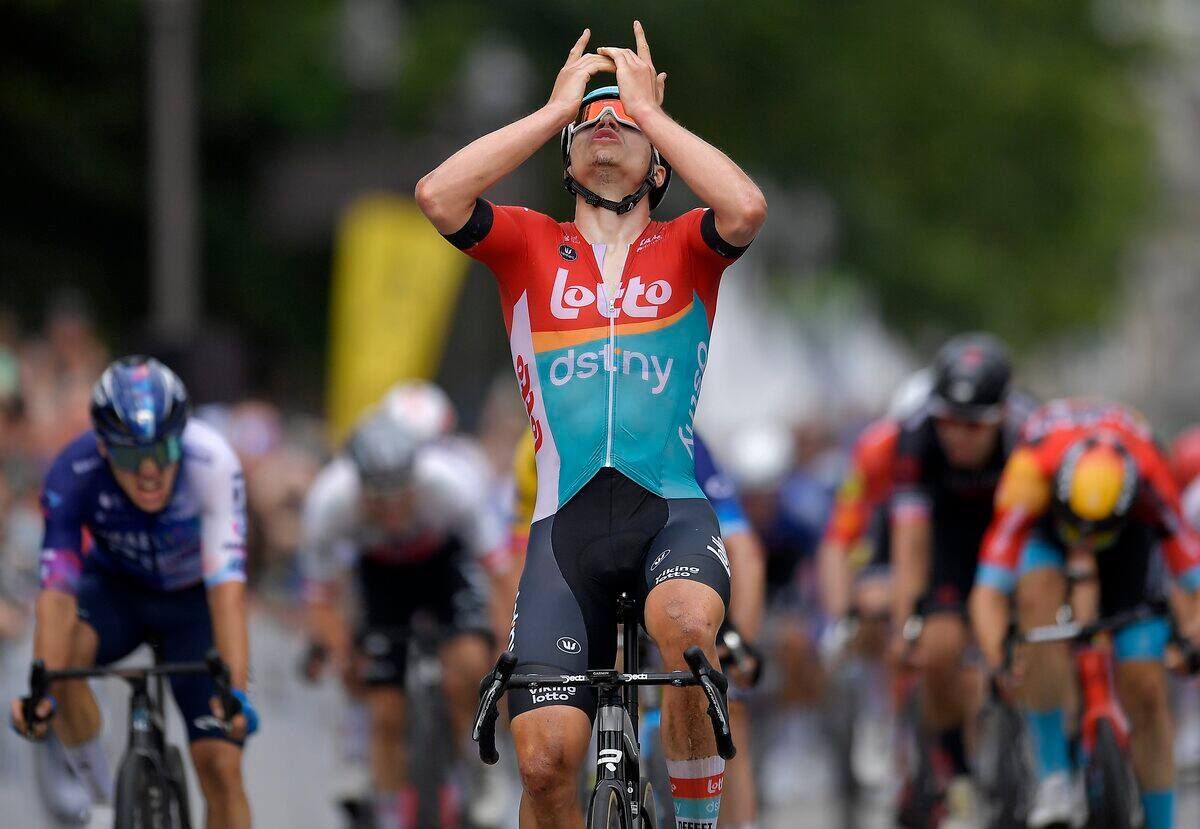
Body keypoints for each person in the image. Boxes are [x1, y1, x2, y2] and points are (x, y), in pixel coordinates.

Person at [415, 21, 766, 826]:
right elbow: (439, 195)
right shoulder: (530, 246)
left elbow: (745, 205)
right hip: (564, 526)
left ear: (658, 162)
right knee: (542, 764)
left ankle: (694, 820)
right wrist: (551, 110)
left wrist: (656, 112)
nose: (606, 128)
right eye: (591, 125)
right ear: (567, 157)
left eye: (625, 126)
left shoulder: (687, 249)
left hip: (667, 512)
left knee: (683, 633)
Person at [8, 356, 255, 828]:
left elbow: (228, 591)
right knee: (63, 668)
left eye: (162, 451)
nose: (148, 471)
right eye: (128, 454)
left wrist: (236, 692)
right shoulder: (71, 471)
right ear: (102, 448)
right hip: (117, 592)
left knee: (221, 768)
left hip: (194, 604)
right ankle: (102, 803)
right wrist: (41, 684)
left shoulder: (213, 462)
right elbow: (56, 592)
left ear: (181, 438)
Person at [970, 399, 1200, 829]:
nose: (1088, 543)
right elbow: (988, 592)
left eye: (1097, 535)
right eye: (1081, 532)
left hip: (1127, 547)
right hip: (1048, 537)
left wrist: (1190, 638)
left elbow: (1194, 579)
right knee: (1037, 599)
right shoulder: (1029, 474)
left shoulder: (1152, 476)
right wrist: (1000, 657)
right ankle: (1054, 774)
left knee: (1147, 688)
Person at [300, 397, 503, 829]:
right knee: (385, 708)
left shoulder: (452, 484)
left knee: (470, 664)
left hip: (443, 567)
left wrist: (503, 640)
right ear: (358, 486)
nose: (392, 511)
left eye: (401, 495)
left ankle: (477, 766)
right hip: (381, 577)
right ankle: (390, 807)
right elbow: (319, 599)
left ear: (417, 476)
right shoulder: (330, 500)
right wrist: (342, 652)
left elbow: (498, 575)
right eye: (379, 499)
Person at [887, 332, 1033, 824]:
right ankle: (958, 767)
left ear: (1000, 416)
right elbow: (910, 541)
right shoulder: (916, 438)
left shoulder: (1026, 435)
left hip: (1017, 537)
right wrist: (908, 619)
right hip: (949, 543)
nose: (958, 435)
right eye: (948, 420)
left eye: (974, 426)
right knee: (939, 649)